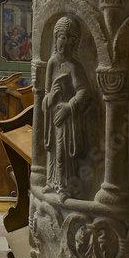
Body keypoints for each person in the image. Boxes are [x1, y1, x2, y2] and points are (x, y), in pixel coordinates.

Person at [43, 16, 91, 197]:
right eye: (61, 37)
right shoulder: (52, 63)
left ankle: (65, 186)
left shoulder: (74, 66)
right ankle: (51, 182)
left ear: (74, 43)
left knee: (63, 152)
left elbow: (84, 92)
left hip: (68, 118)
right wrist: (51, 98)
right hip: (54, 115)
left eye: (69, 40)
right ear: (55, 38)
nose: (64, 43)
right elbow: (46, 94)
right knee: (53, 152)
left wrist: (69, 107)